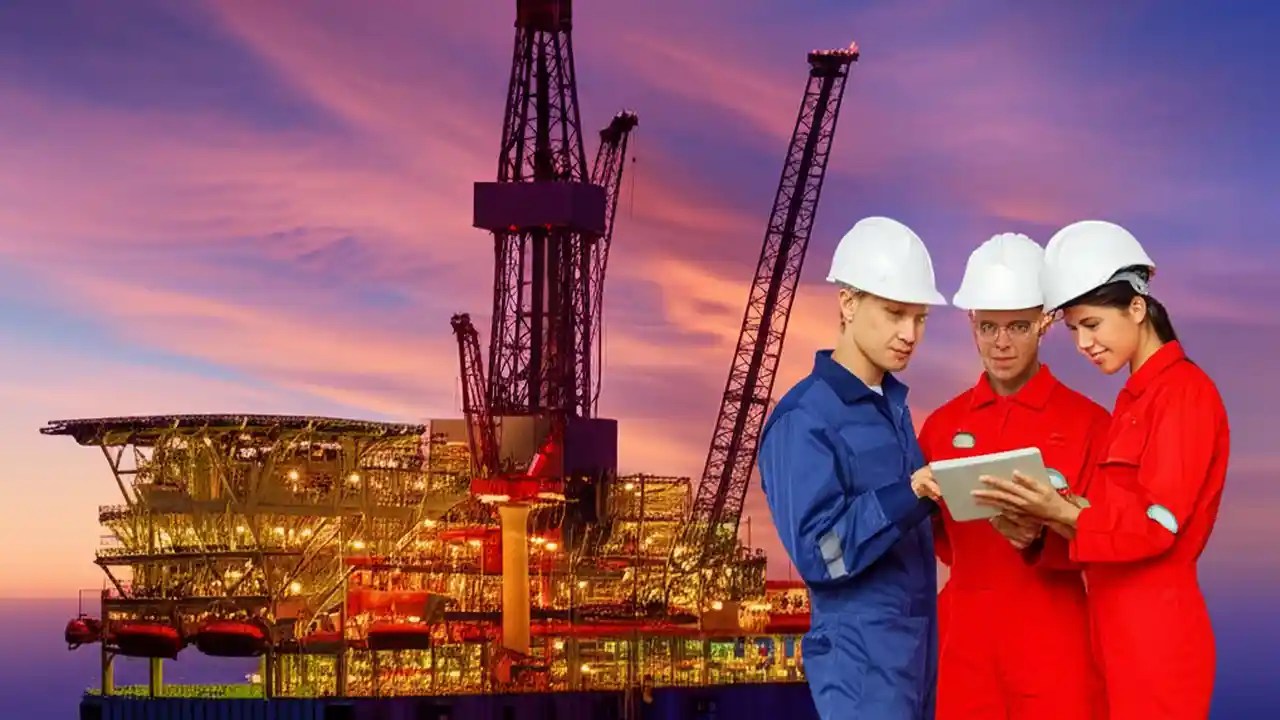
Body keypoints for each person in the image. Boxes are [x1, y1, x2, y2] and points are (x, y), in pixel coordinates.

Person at [971, 220, 1230, 720]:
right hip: (1114, 636)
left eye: (1092, 324)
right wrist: (1038, 532)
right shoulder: (1133, 404)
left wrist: (1061, 512)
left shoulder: (1184, 394)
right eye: (1073, 330)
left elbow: (1156, 528)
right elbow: (1109, 528)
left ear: (1137, 308)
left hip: (1159, 641)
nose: (1083, 343)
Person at [757, 216, 947, 719]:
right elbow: (821, 557)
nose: (909, 334)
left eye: (920, 318)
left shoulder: (890, 409)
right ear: (847, 303)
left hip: (914, 663)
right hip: (861, 675)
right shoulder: (804, 420)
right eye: (895, 313)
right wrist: (910, 496)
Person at [918, 233, 1109, 719]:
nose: (1001, 343)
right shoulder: (941, 427)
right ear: (971, 322)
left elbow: (1111, 541)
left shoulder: (1089, 424)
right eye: (988, 327)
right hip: (966, 651)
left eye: (1018, 326)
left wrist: (1046, 534)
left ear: (1044, 322)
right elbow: (937, 541)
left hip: (1056, 647)